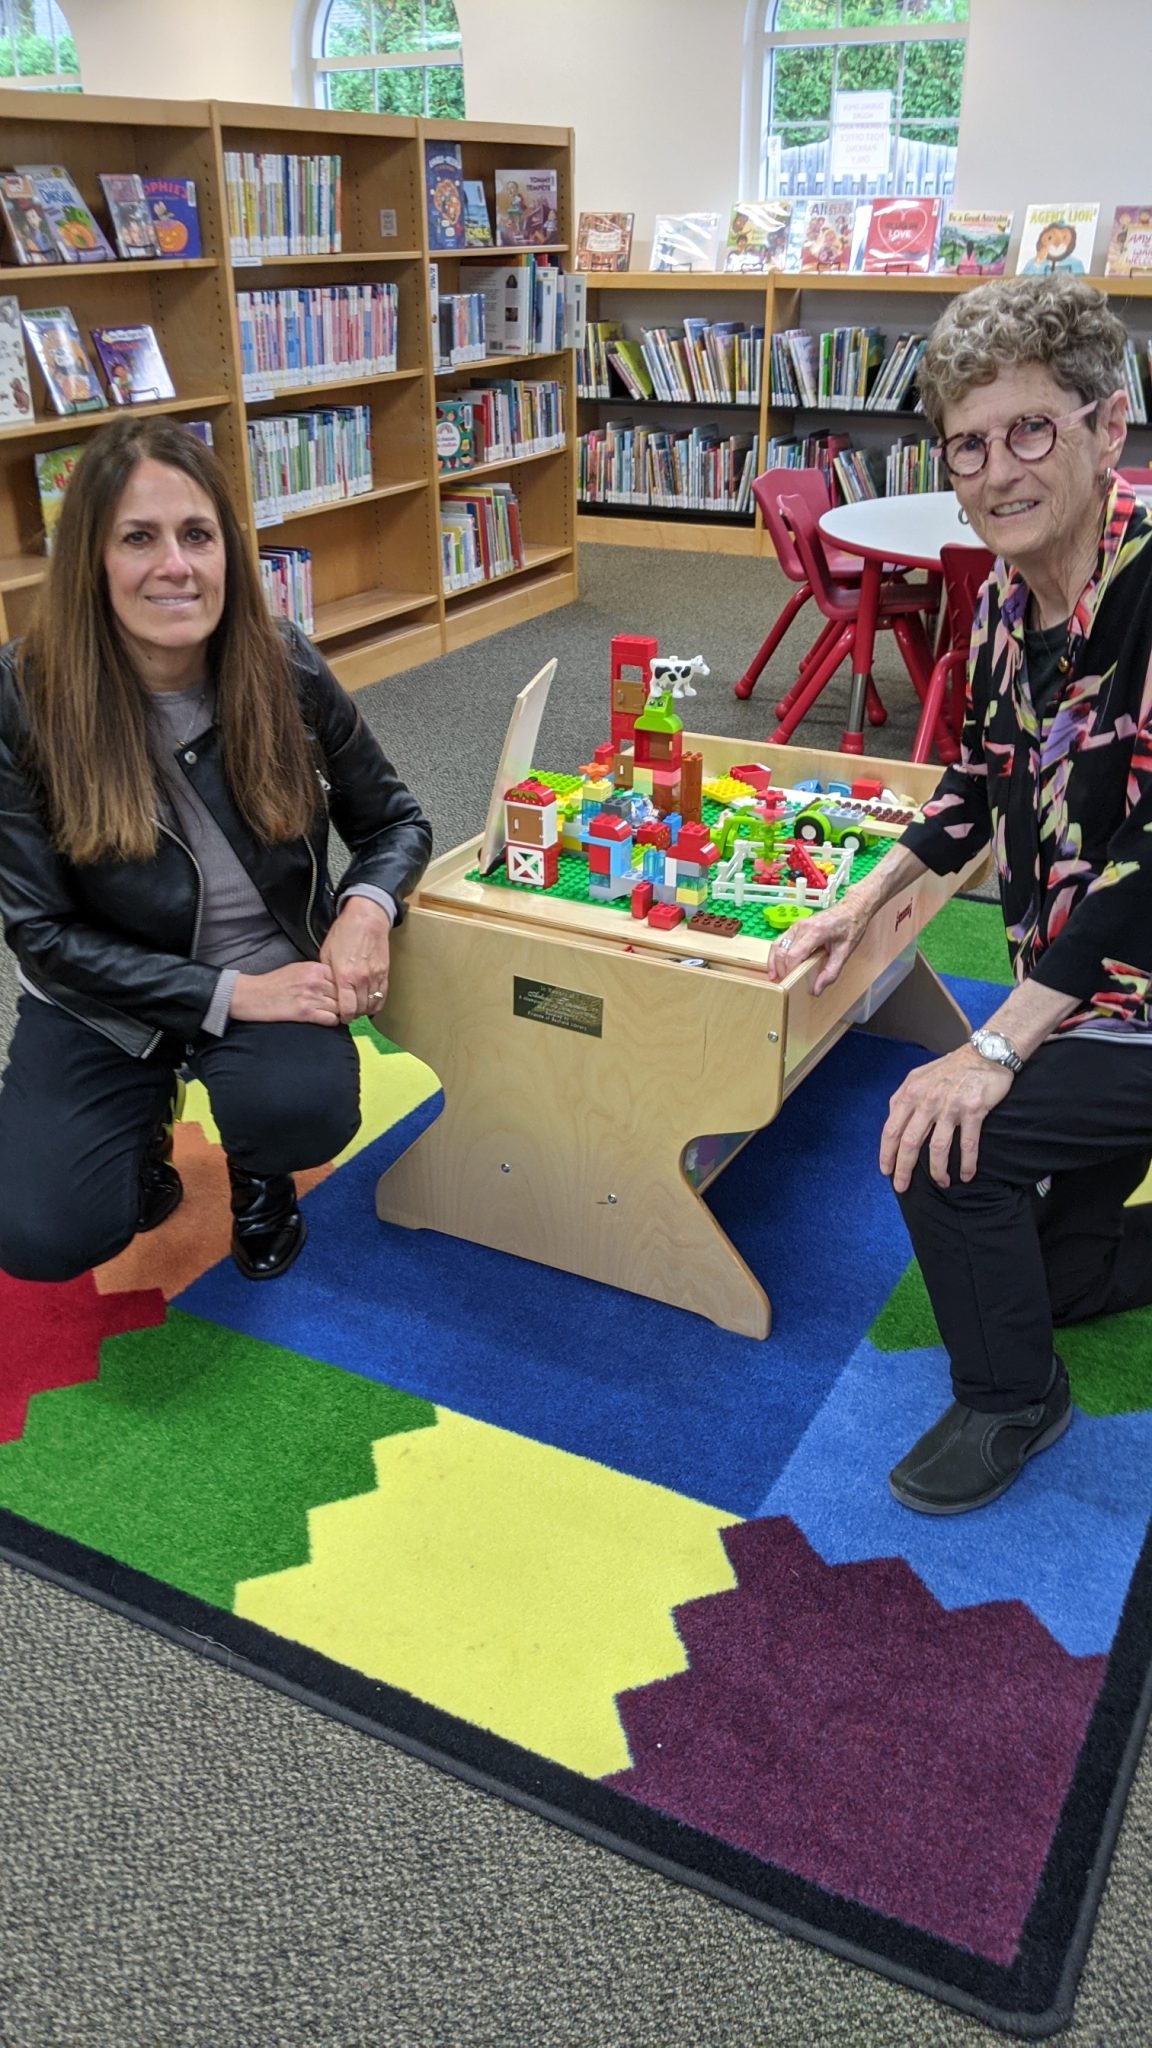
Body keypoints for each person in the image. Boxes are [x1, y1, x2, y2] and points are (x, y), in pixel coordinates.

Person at [766, 274, 1152, 1514]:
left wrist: (991, 1045)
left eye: (1030, 429)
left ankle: (1012, 1400)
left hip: (1131, 988)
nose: (997, 471)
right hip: (1078, 981)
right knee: (1056, 1265)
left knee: (943, 1146)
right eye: (969, 443)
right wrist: (861, 900)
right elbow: (971, 790)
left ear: (1107, 427)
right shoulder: (999, 599)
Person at [0, 414, 432, 1285]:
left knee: (300, 1112)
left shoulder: (282, 663)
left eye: (197, 535)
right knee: (40, 1236)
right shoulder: (23, 698)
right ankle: (144, 1122)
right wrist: (229, 996)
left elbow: (394, 822)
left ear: (230, 552)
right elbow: (42, 934)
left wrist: (364, 909)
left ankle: (258, 1172)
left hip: (269, 963)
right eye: (138, 538)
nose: (176, 566)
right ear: (92, 560)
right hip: (106, 997)